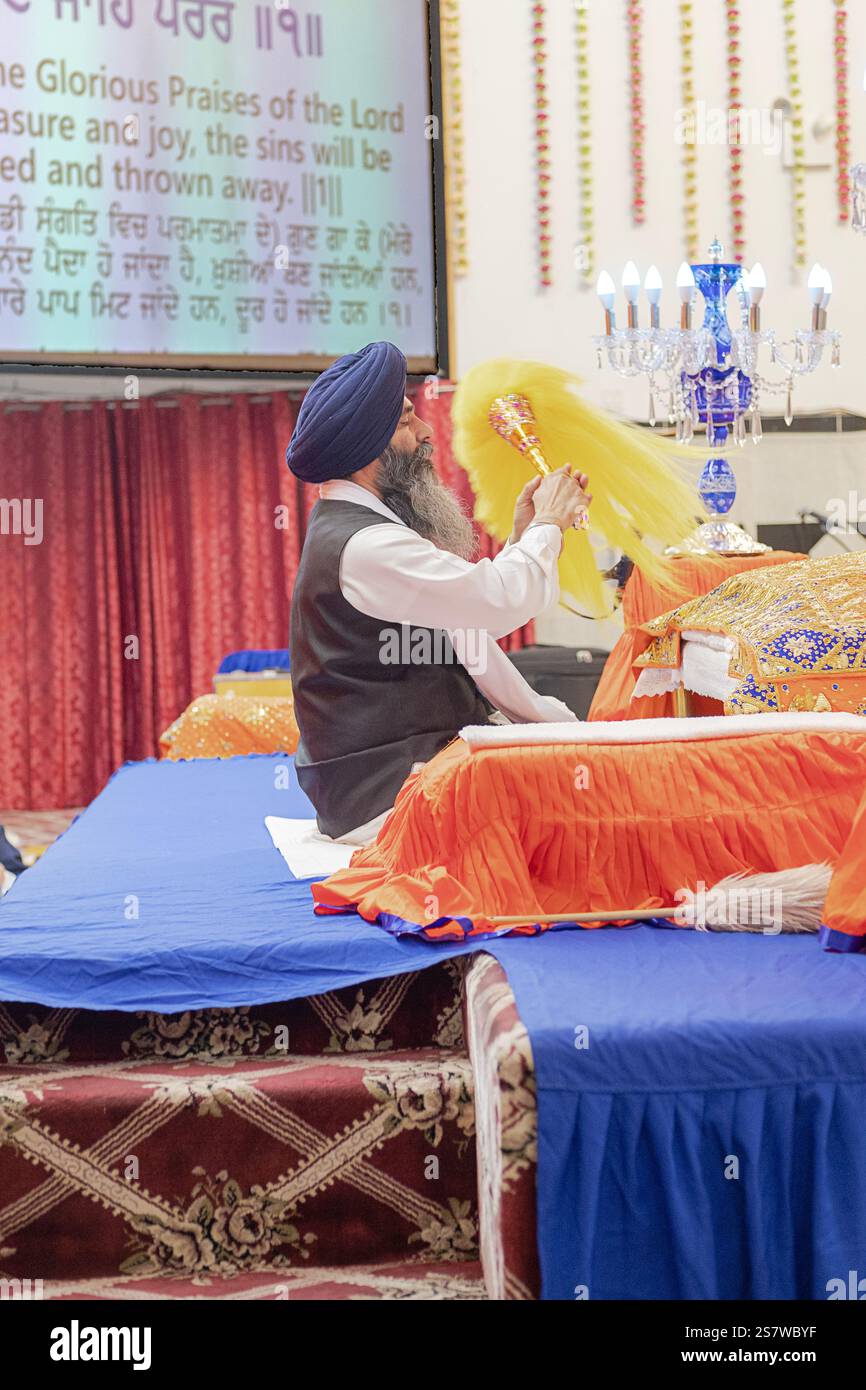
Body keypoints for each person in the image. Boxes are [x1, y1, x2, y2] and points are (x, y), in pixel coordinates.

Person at [286, 340, 591, 841]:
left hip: (403, 773)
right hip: (388, 792)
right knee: (588, 801)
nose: (427, 432)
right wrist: (550, 524)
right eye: (407, 422)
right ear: (370, 448)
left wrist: (524, 536)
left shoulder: (362, 530)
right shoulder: (366, 545)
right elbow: (494, 603)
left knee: (580, 769)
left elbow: (470, 615)